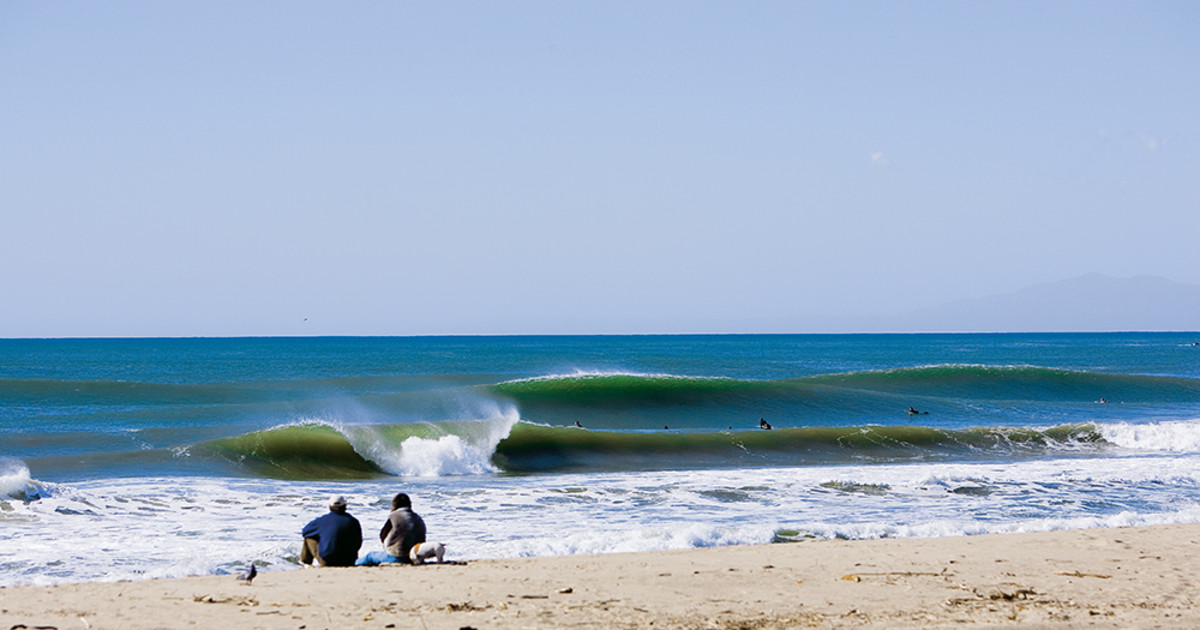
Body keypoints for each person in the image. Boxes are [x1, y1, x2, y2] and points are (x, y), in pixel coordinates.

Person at [300, 495, 362, 567]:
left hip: (328, 561)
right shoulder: (354, 521)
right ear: (345, 506)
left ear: (330, 506)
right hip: (349, 561)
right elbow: (358, 542)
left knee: (309, 537)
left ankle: (307, 563)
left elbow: (305, 531)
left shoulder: (322, 520)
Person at [380, 492, 426, 563]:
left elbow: (382, 535)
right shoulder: (418, 518)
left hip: (398, 556)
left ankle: (356, 563)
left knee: (369, 556)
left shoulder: (394, 516)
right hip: (418, 558)